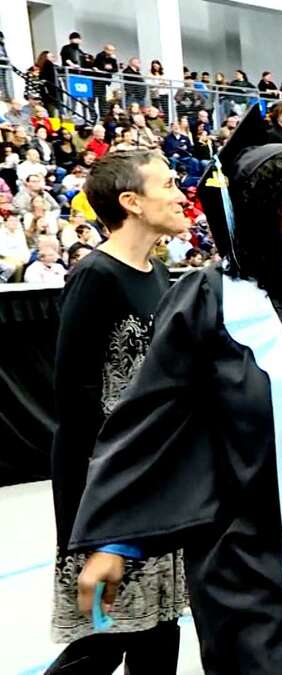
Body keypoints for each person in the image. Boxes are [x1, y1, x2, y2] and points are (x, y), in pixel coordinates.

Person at [70, 107, 282, 672]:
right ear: (262, 216)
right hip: (249, 556)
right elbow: (153, 417)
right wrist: (115, 542)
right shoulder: (211, 300)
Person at [46, 150, 190, 674]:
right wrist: (90, 516)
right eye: (169, 184)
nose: (181, 194)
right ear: (131, 202)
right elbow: (76, 401)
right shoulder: (96, 276)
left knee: (159, 632)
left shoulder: (159, 273)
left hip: (155, 481)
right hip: (109, 488)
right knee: (102, 639)